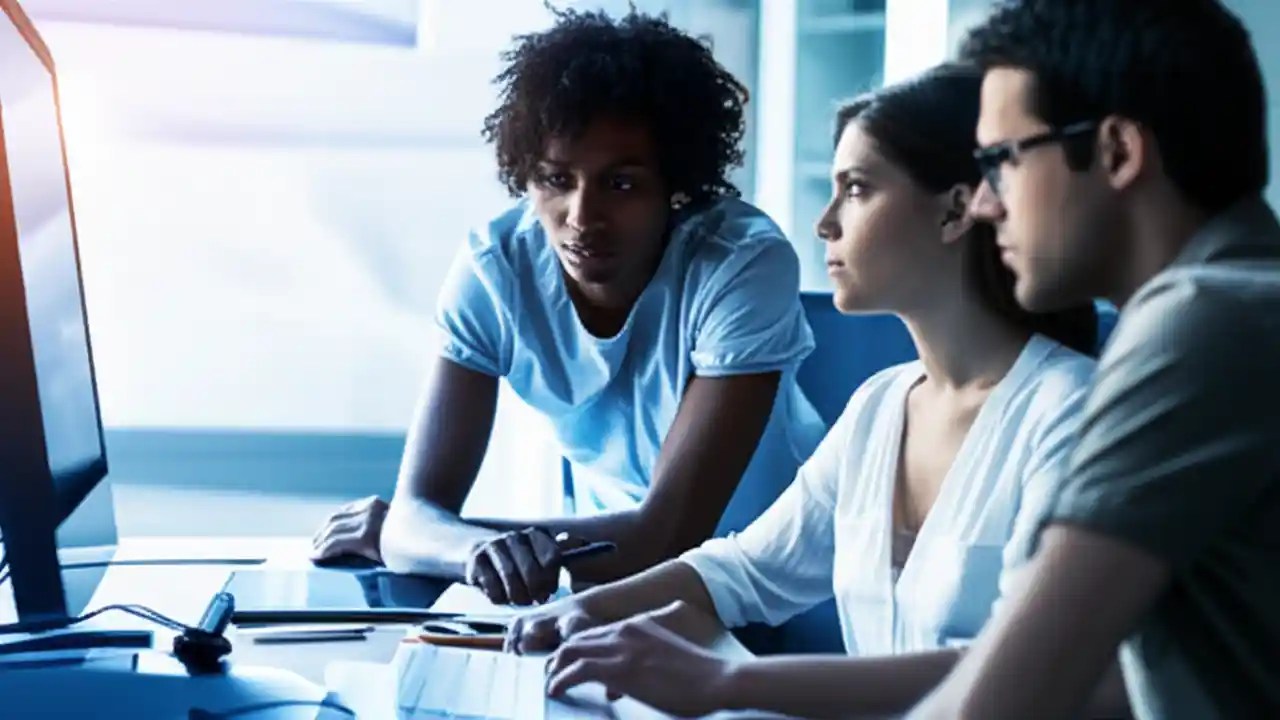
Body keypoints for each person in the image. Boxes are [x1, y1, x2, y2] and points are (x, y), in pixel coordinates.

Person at [507, 64, 1111, 719]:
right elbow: (745, 571)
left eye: (856, 189)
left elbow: (1028, 667)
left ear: (957, 210)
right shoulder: (881, 406)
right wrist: (576, 611)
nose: (825, 223)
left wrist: (722, 682)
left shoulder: (1070, 414)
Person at [310, 7, 827, 607]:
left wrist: (442, 541)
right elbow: (414, 518)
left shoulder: (741, 263)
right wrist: (452, 543)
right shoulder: (497, 266)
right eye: (556, 180)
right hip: (610, 576)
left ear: (677, 185)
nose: (582, 218)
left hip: (779, 577)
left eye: (622, 184)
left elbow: (669, 535)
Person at [909, 1, 1280, 719]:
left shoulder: (1207, 321)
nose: (984, 204)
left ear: (1116, 152)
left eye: (1000, 161)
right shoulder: (1235, 304)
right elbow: (1109, 684)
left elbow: (1007, 701)